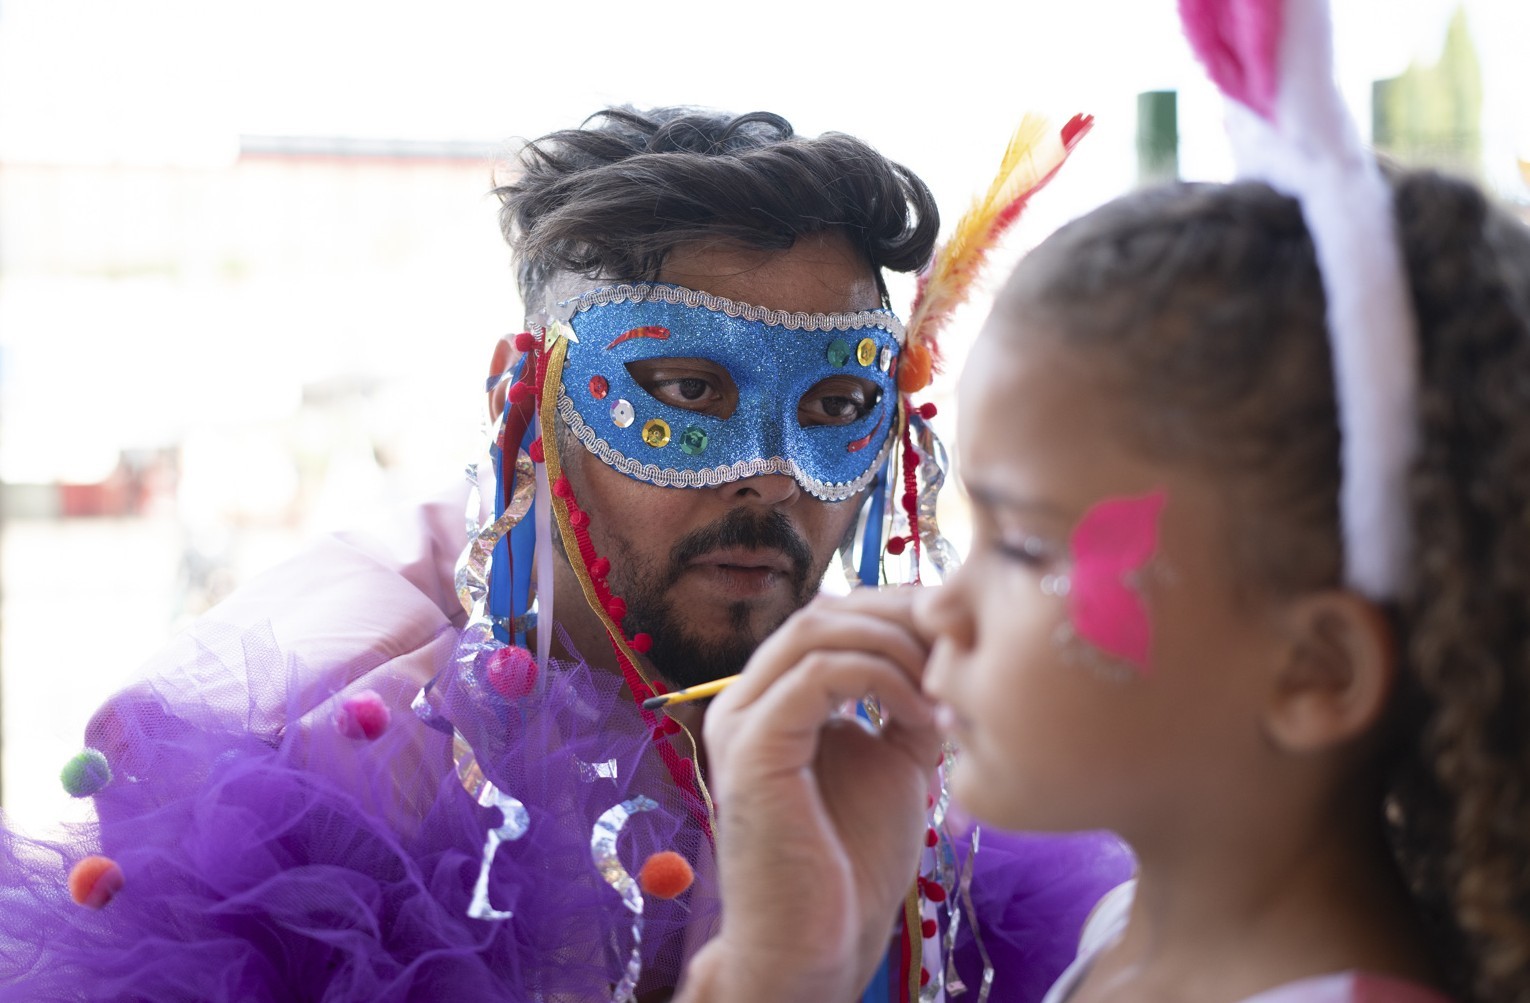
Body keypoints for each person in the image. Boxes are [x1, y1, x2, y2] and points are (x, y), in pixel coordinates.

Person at [0, 107, 1130, 1001]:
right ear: (535, 403)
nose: (770, 476)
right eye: (687, 391)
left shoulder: (919, 755)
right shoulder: (340, 774)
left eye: (837, 402)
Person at [675, 4, 1530, 1002]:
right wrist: (795, 964)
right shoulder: (1123, 942)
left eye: (1028, 546)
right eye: (976, 534)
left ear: (1315, 669)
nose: (941, 604)